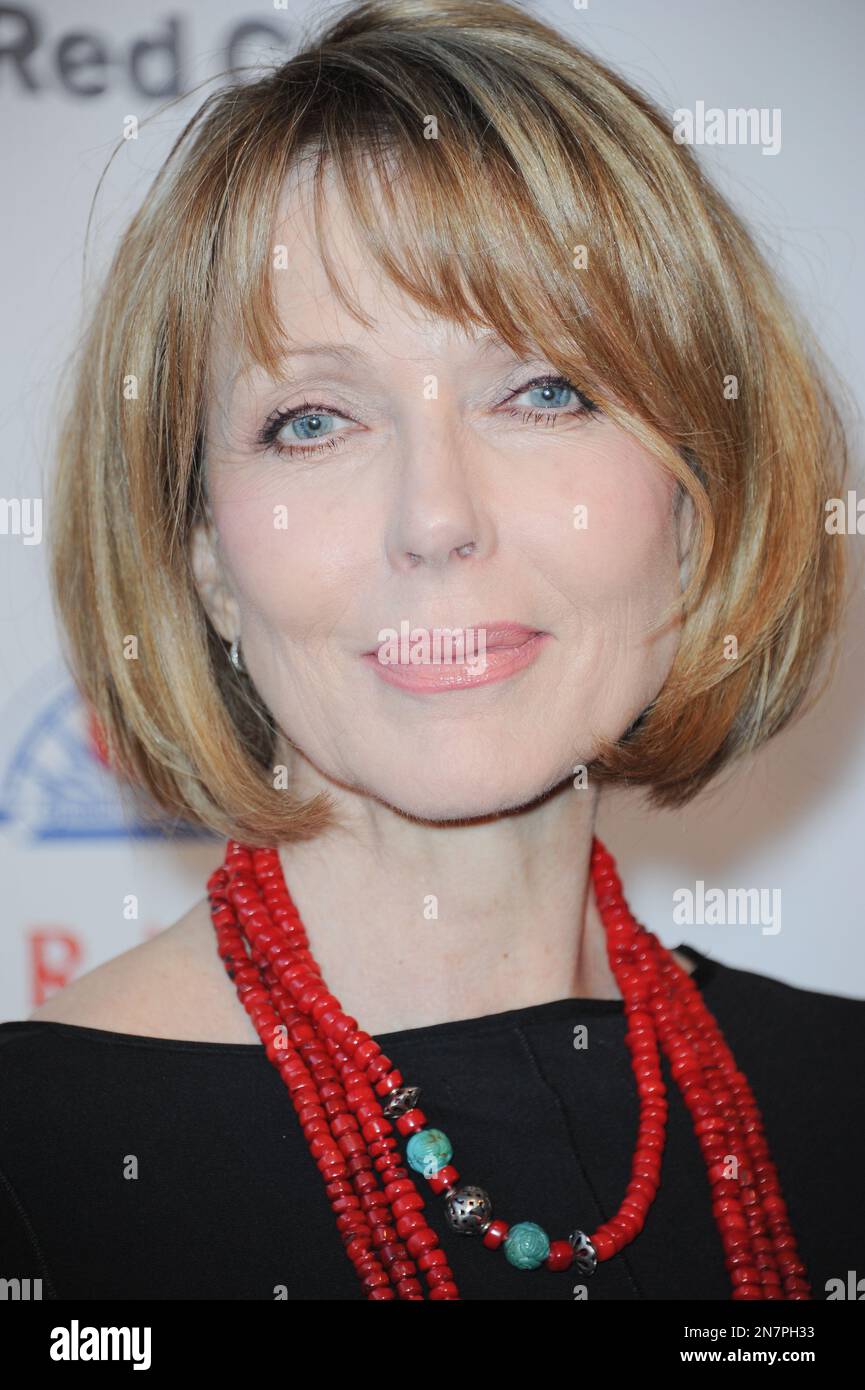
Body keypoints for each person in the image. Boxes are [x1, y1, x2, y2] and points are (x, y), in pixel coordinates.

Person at [1, 0, 862, 1302]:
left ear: (695, 510)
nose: (436, 517)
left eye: (543, 391)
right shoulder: (36, 1167)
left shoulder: (838, 1098)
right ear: (204, 558)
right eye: (311, 420)